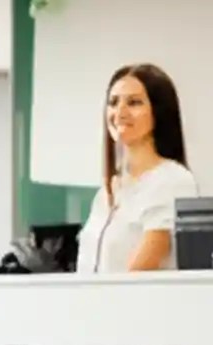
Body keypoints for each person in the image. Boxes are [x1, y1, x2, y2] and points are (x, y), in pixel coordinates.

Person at [77, 63, 200, 273]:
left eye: (134, 103)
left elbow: (139, 272)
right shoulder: (108, 191)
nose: (120, 112)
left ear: (158, 112)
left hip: (133, 304)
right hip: (95, 304)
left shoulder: (173, 181)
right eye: (113, 102)